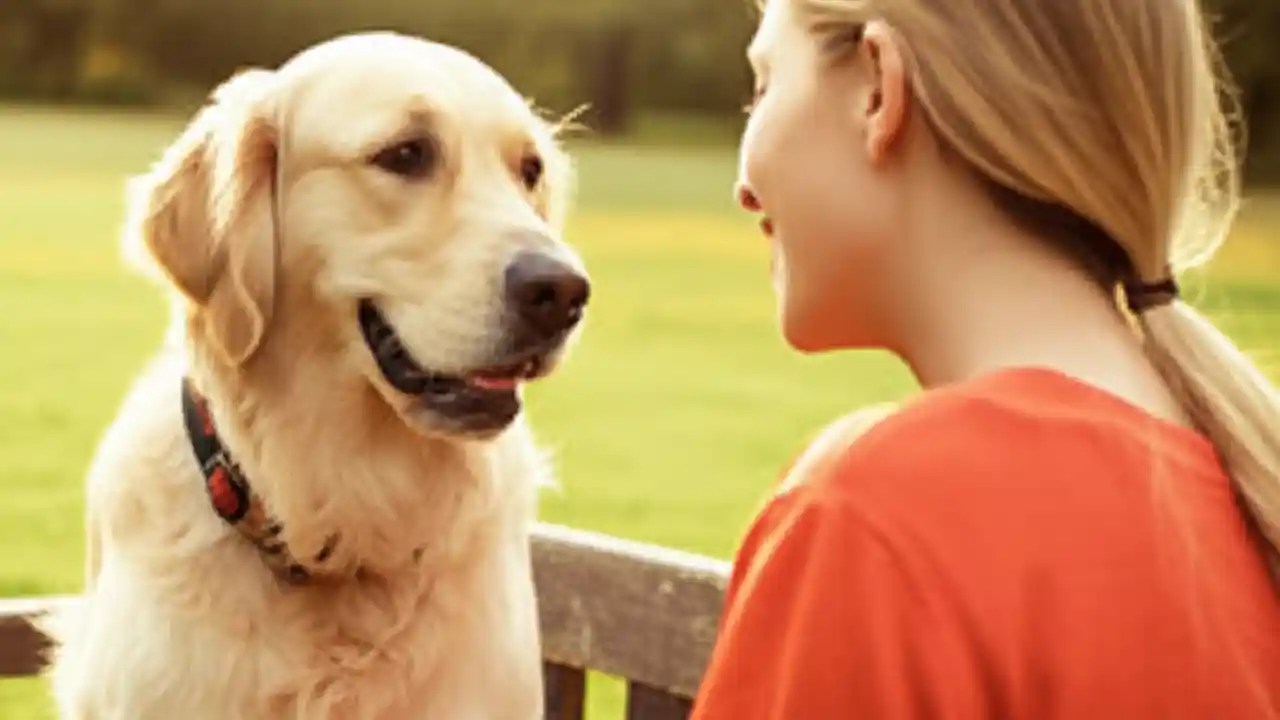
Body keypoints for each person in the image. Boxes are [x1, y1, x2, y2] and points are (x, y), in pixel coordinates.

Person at [690, 0, 1280, 717]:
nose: (742, 185)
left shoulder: (878, 518)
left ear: (878, 89)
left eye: (763, 84)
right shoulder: (1243, 490)